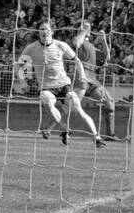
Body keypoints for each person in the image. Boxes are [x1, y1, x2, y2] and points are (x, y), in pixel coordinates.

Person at [14, 19, 104, 147]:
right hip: (46, 87)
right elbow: (18, 66)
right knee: (46, 100)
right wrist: (22, 82)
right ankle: (64, 128)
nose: (45, 31)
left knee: (78, 110)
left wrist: (82, 74)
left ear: (52, 32)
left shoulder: (61, 45)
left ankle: (97, 138)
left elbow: (77, 61)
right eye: (42, 29)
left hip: (63, 85)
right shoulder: (31, 48)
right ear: (38, 32)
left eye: (47, 29)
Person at [71, 19, 120, 140]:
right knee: (71, 108)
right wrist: (83, 30)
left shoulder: (90, 45)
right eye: (87, 27)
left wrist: (103, 40)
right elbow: (76, 44)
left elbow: (107, 57)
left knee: (110, 102)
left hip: (92, 79)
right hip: (81, 78)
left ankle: (110, 135)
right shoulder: (77, 39)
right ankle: (50, 127)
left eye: (89, 27)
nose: (90, 29)